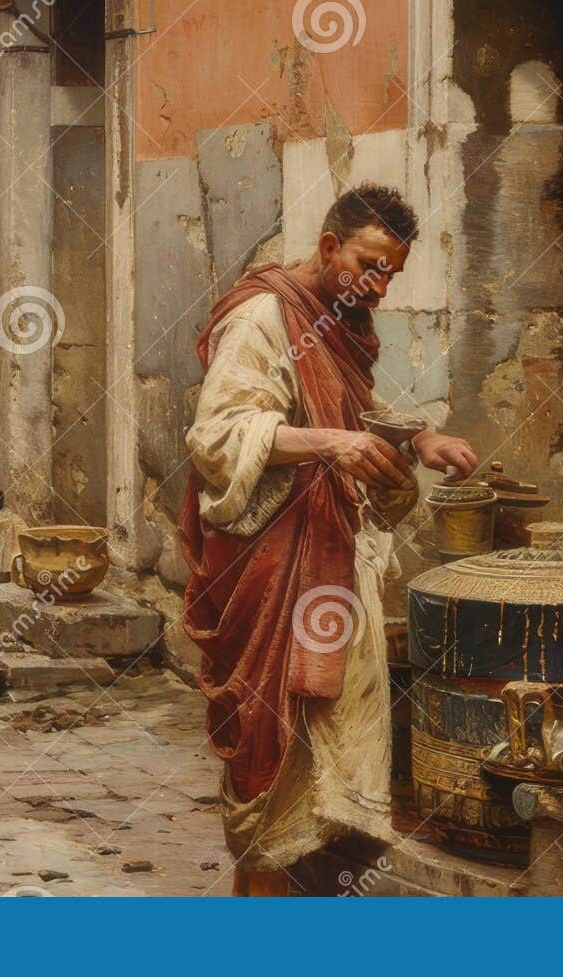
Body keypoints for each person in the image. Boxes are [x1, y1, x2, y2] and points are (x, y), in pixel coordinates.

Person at [180, 184, 476, 896]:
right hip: (267, 563)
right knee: (273, 740)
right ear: (327, 248)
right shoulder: (261, 318)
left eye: (391, 274)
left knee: (335, 738)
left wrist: (421, 436)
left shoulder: (337, 319)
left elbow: (348, 402)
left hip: (327, 557)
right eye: (368, 265)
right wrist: (331, 445)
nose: (377, 285)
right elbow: (215, 436)